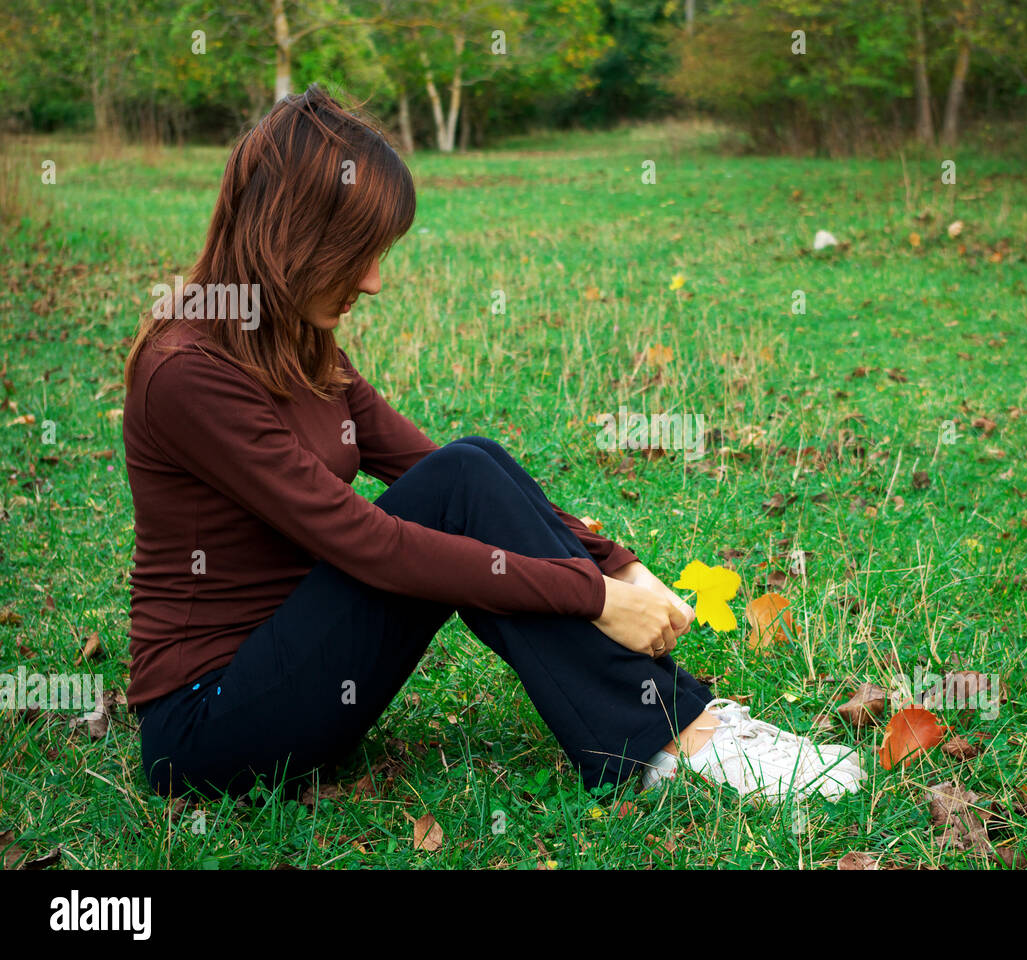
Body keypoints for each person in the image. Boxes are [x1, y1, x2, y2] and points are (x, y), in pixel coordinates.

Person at [122, 84, 862, 809]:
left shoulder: (296, 342)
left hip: (304, 674)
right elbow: (369, 544)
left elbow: (432, 467)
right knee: (460, 480)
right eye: (358, 253)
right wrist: (594, 596)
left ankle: (676, 730)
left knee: (468, 460)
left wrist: (617, 562)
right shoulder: (187, 371)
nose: (375, 282)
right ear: (290, 237)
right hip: (209, 729)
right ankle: (678, 739)